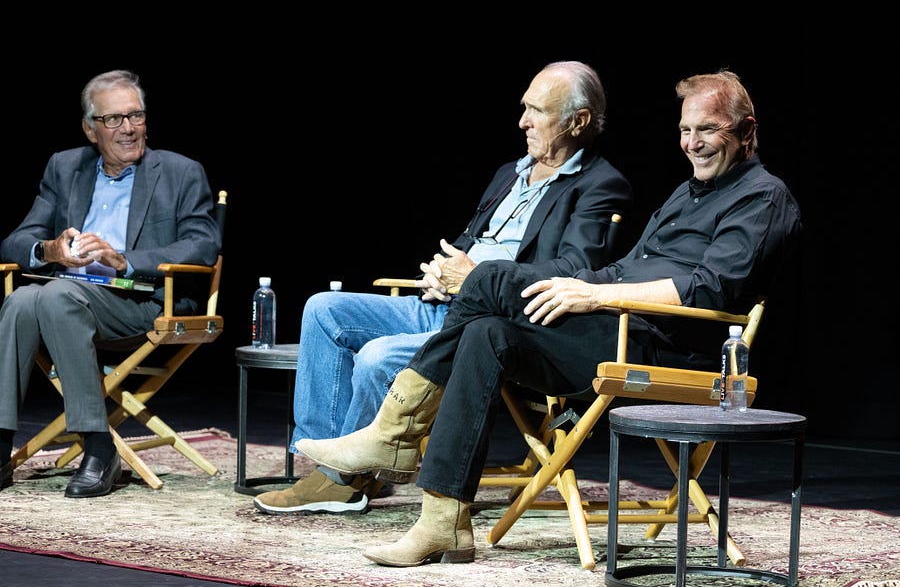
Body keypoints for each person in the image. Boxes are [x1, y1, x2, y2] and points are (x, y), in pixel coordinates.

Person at [295, 70, 803, 566]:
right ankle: (443, 518)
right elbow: (624, 268)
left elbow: (710, 288)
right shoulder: (686, 191)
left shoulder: (764, 197)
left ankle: (396, 431)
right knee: (486, 330)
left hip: (659, 346)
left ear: (746, 130)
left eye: (708, 129)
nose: (693, 143)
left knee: (490, 277)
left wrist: (595, 297)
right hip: (618, 327)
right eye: (685, 130)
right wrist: (582, 286)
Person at [253, 61, 634, 515]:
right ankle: (321, 459)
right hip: (443, 302)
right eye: (523, 108)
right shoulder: (509, 173)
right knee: (323, 308)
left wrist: (474, 274)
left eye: (536, 111)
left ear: (579, 121)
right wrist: (440, 270)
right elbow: (471, 241)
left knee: (378, 357)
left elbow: (575, 267)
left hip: (494, 319)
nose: (522, 121)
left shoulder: (600, 185)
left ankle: (342, 480)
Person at [0, 70, 221, 498]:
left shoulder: (180, 172)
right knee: (22, 301)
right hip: (65, 297)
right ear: (90, 129)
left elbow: (203, 245)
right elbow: (15, 240)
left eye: (135, 116)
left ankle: (99, 446)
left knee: (54, 296)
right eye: (114, 119)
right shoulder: (65, 167)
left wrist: (126, 261)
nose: (128, 128)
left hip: (142, 301)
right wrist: (49, 250)